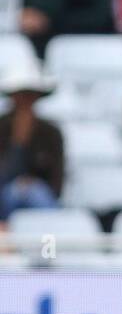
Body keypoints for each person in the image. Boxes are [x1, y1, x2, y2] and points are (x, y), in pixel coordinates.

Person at [0, 58, 64, 222]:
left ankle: (47, 240)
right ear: (12, 97)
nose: (25, 100)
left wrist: (31, 185)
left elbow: (57, 181)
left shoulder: (51, 133)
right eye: (21, 95)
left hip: (41, 196)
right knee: (17, 192)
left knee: (35, 193)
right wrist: (18, 142)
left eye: (30, 95)